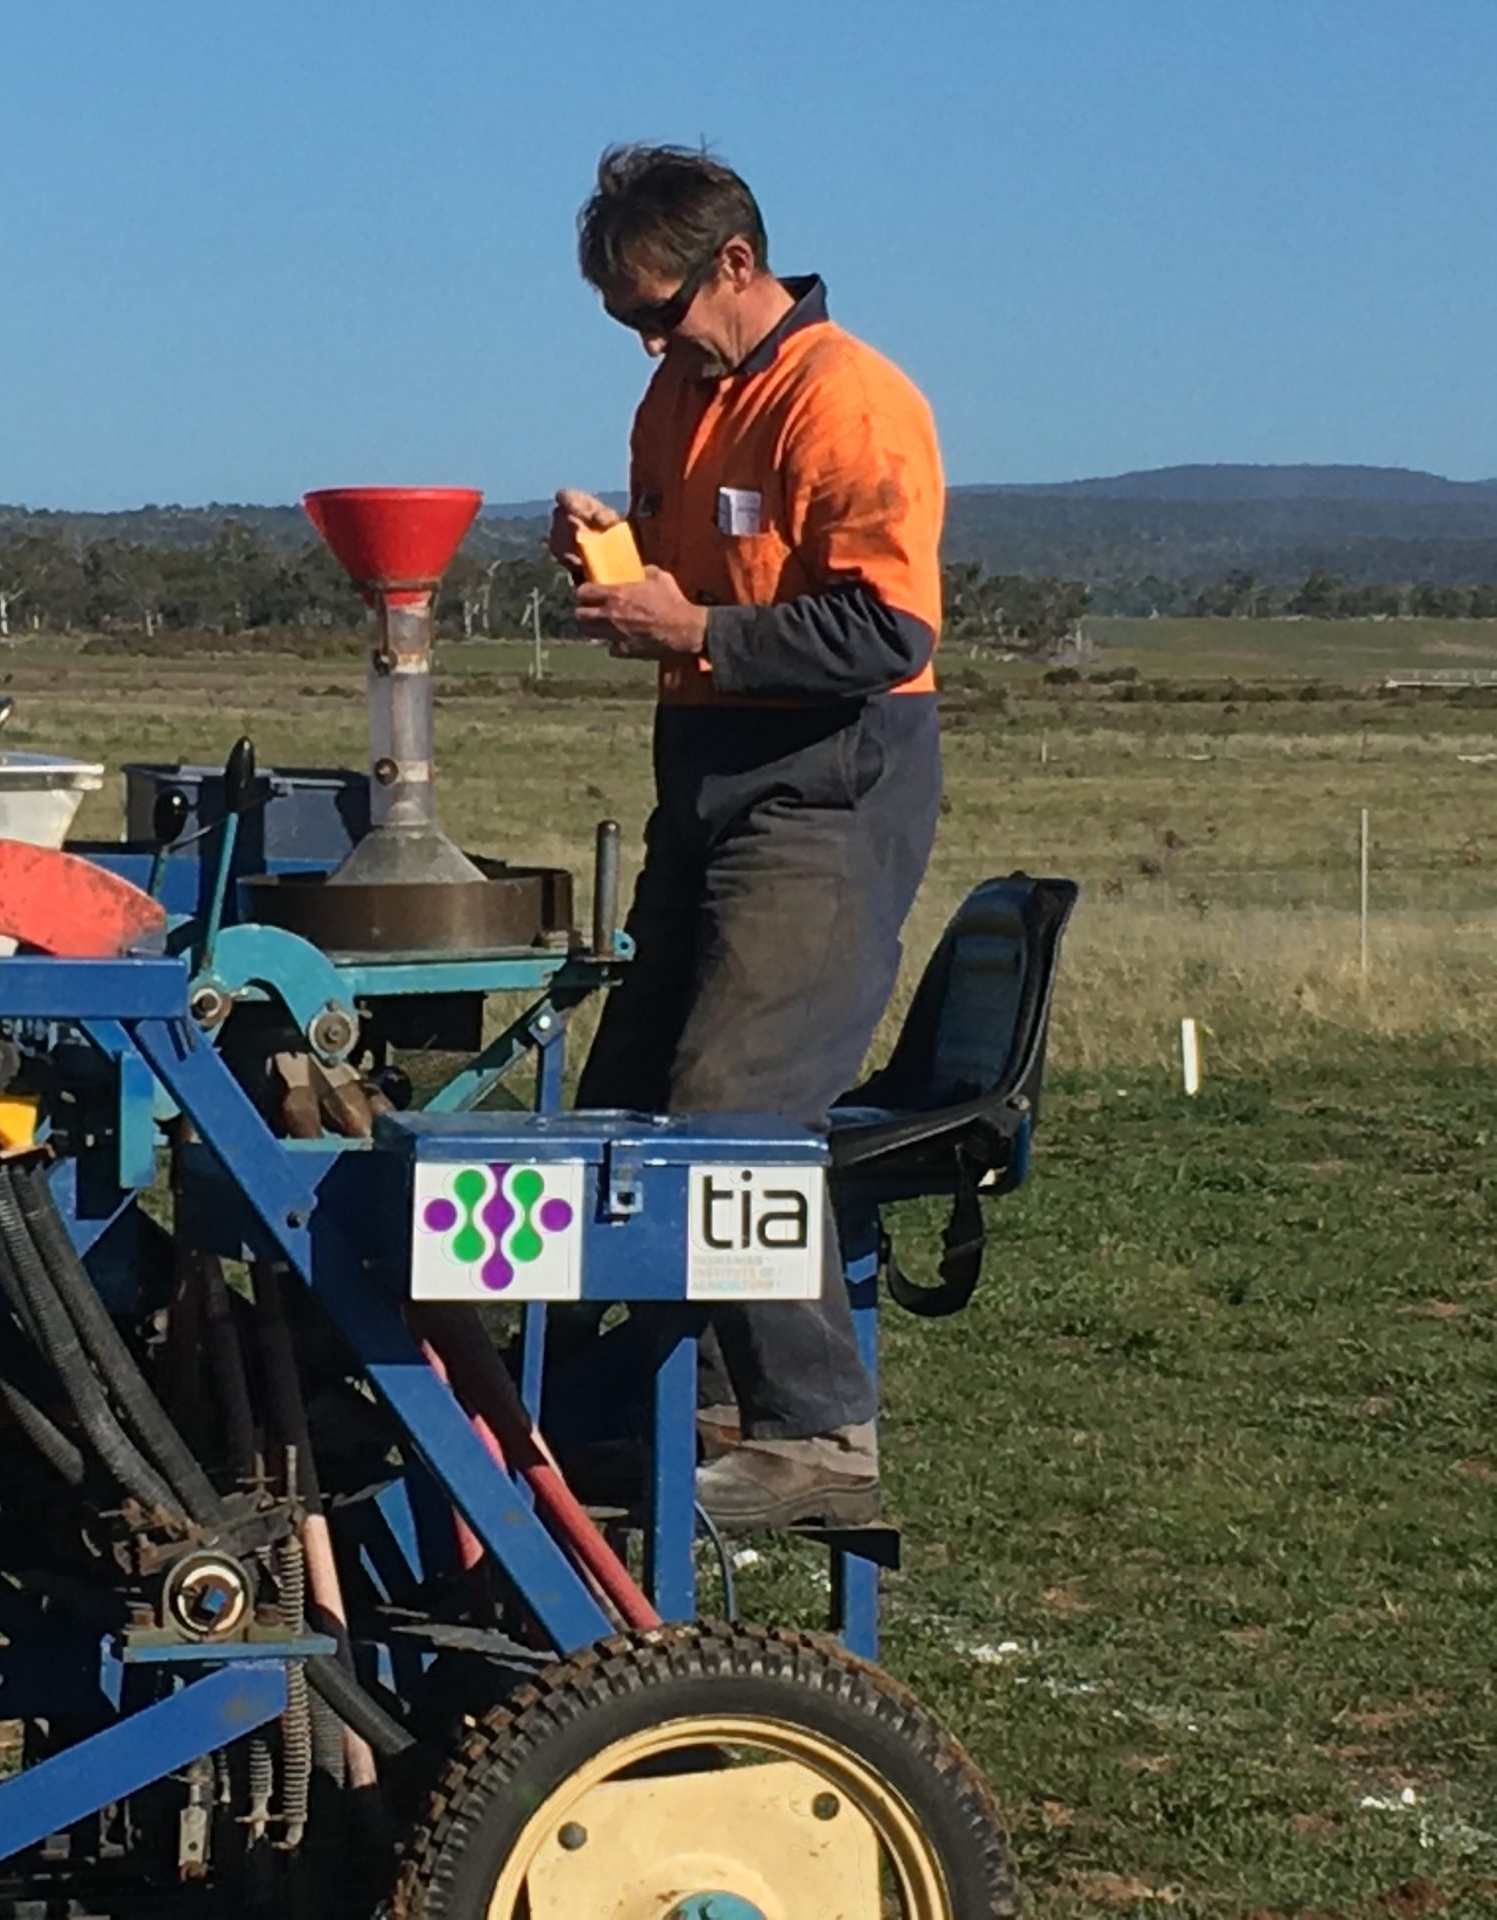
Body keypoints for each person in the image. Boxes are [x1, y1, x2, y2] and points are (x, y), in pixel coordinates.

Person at [551, 144, 945, 1532]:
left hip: (827, 780)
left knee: (733, 1119)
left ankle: (818, 1432)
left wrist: (698, 631)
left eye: (660, 311)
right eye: (627, 326)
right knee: (629, 1106)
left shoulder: (847, 400)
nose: (650, 342)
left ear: (736, 263)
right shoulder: (677, 398)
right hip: (706, 772)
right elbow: (694, 568)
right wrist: (615, 556)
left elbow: (885, 630)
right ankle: (693, 1401)